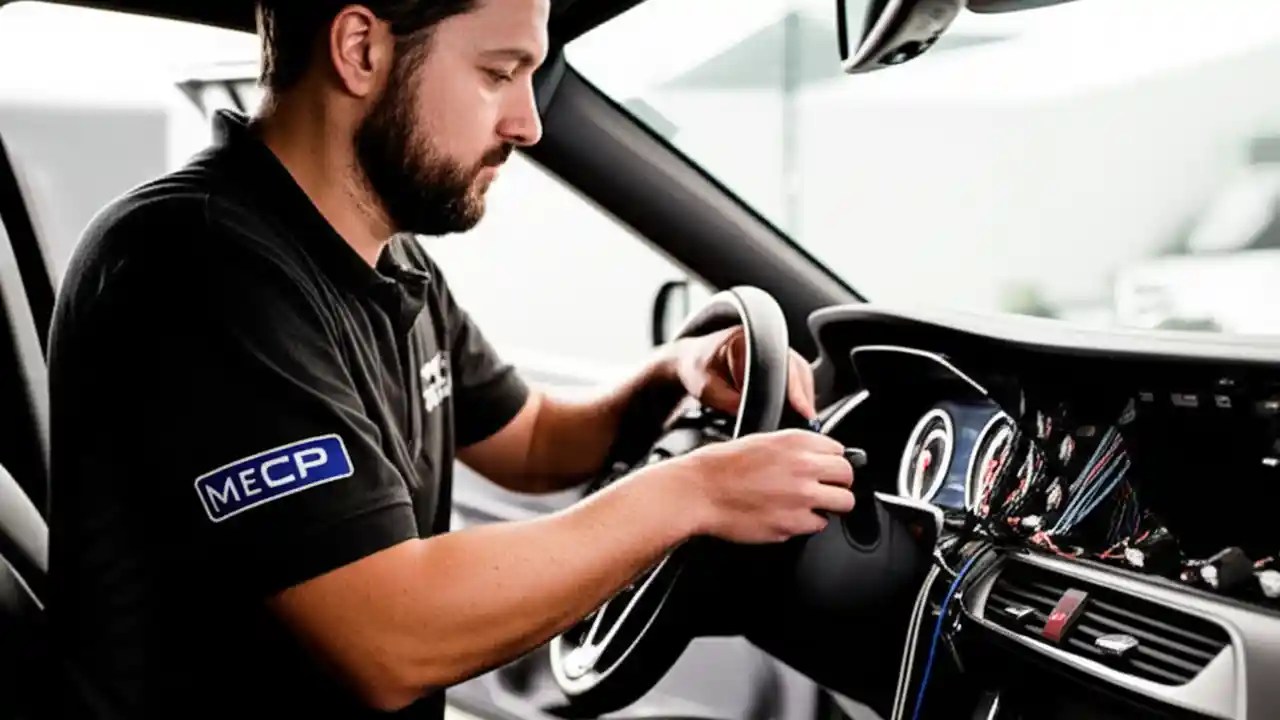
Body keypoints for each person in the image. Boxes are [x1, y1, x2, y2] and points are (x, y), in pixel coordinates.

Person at [45, 0, 856, 718]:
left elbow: (530, 440)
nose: (528, 123)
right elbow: (391, 638)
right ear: (360, 49)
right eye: (499, 73)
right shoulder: (193, 268)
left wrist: (673, 377)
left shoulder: (388, 260)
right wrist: (695, 492)